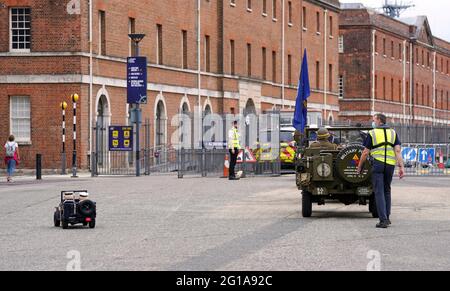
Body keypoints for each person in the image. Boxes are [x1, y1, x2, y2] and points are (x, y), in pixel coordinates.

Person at [357, 114, 405, 229]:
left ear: (379, 120)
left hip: (378, 164)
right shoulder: (393, 133)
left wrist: (360, 166)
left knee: (379, 192)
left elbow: (365, 152)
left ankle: (382, 220)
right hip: (390, 165)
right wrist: (401, 167)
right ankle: (387, 218)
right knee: (387, 190)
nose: (373, 122)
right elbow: (397, 151)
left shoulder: (372, 133)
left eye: (374, 120)